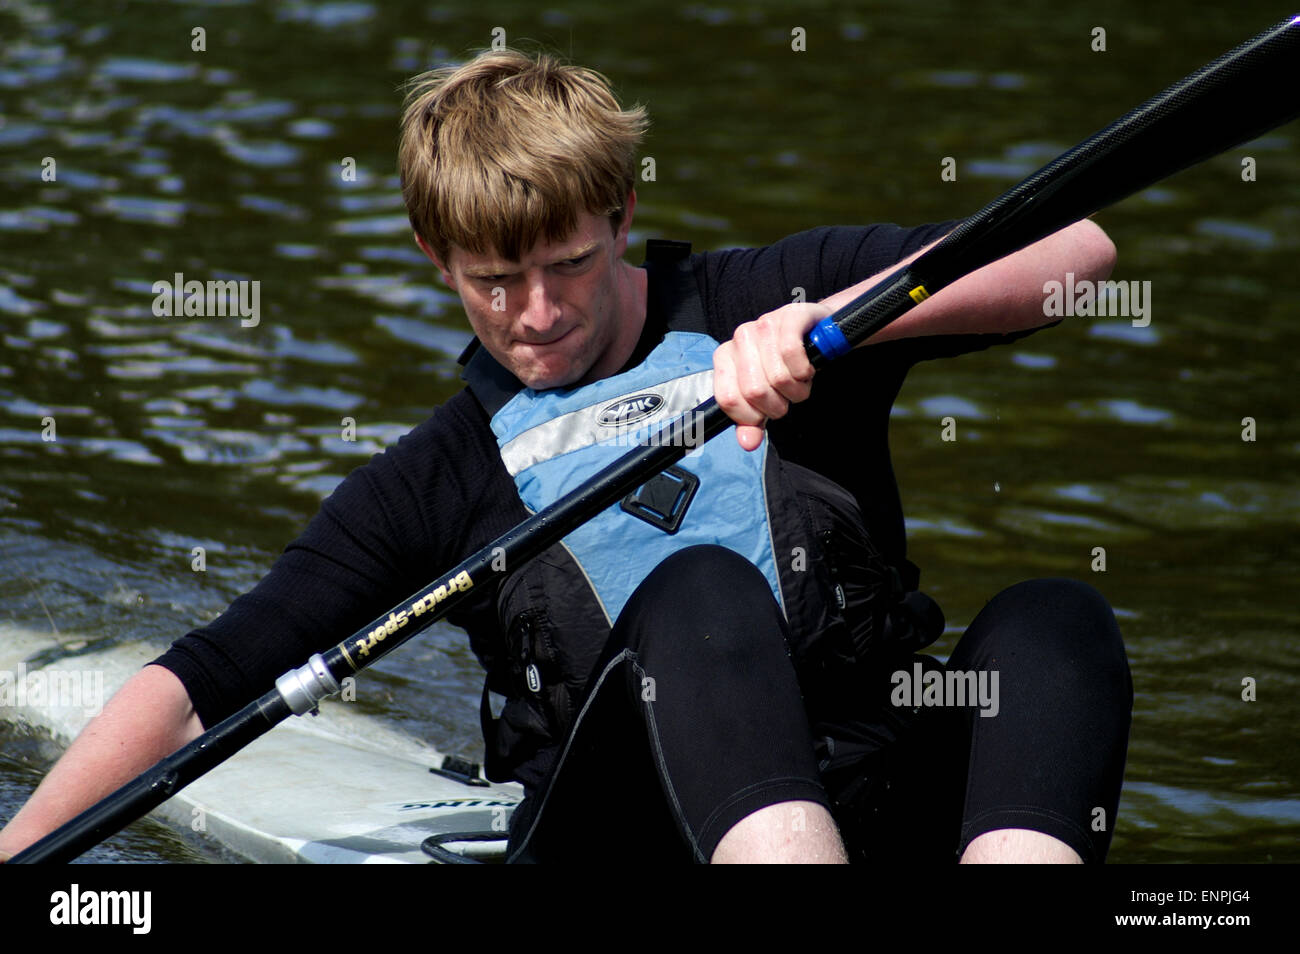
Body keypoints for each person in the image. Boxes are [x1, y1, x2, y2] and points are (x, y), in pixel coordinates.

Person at [0, 49, 1130, 864]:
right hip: (628, 838)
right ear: (433, 255)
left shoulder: (763, 298)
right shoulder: (440, 479)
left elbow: (1078, 252)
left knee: (1051, 620)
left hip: (878, 792)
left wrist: (837, 320)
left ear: (623, 213)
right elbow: (200, 681)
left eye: (568, 265)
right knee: (702, 592)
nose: (535, 314)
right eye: (494, 281)